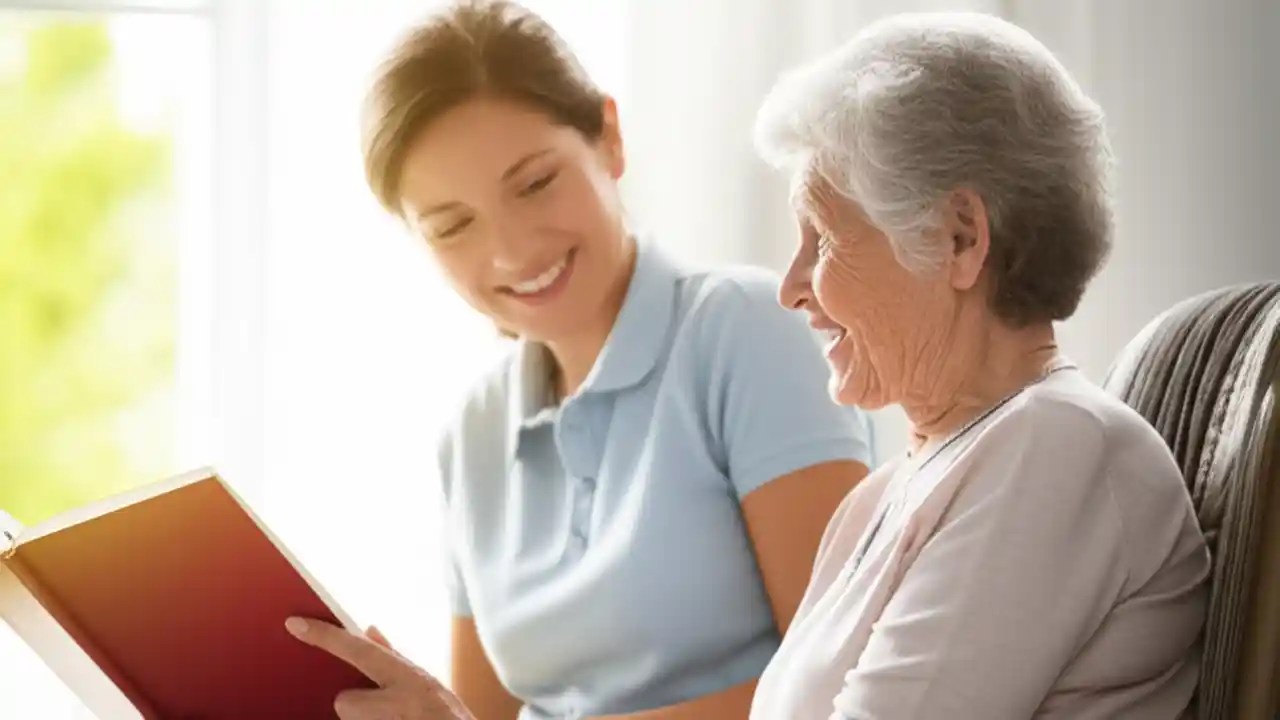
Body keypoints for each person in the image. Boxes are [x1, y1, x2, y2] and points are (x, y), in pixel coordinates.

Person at [287, 1, 874, 719]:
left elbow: (840, 680)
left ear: (609, 139)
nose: (512, 252)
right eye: (453, 225)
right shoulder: (474, 433)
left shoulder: (744, 330)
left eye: (535, 184)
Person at [744, 12, 1210, 719]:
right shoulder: (877, 499)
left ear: (959, 238)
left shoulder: (1057, 446)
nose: (790, 287)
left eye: (825, 239)